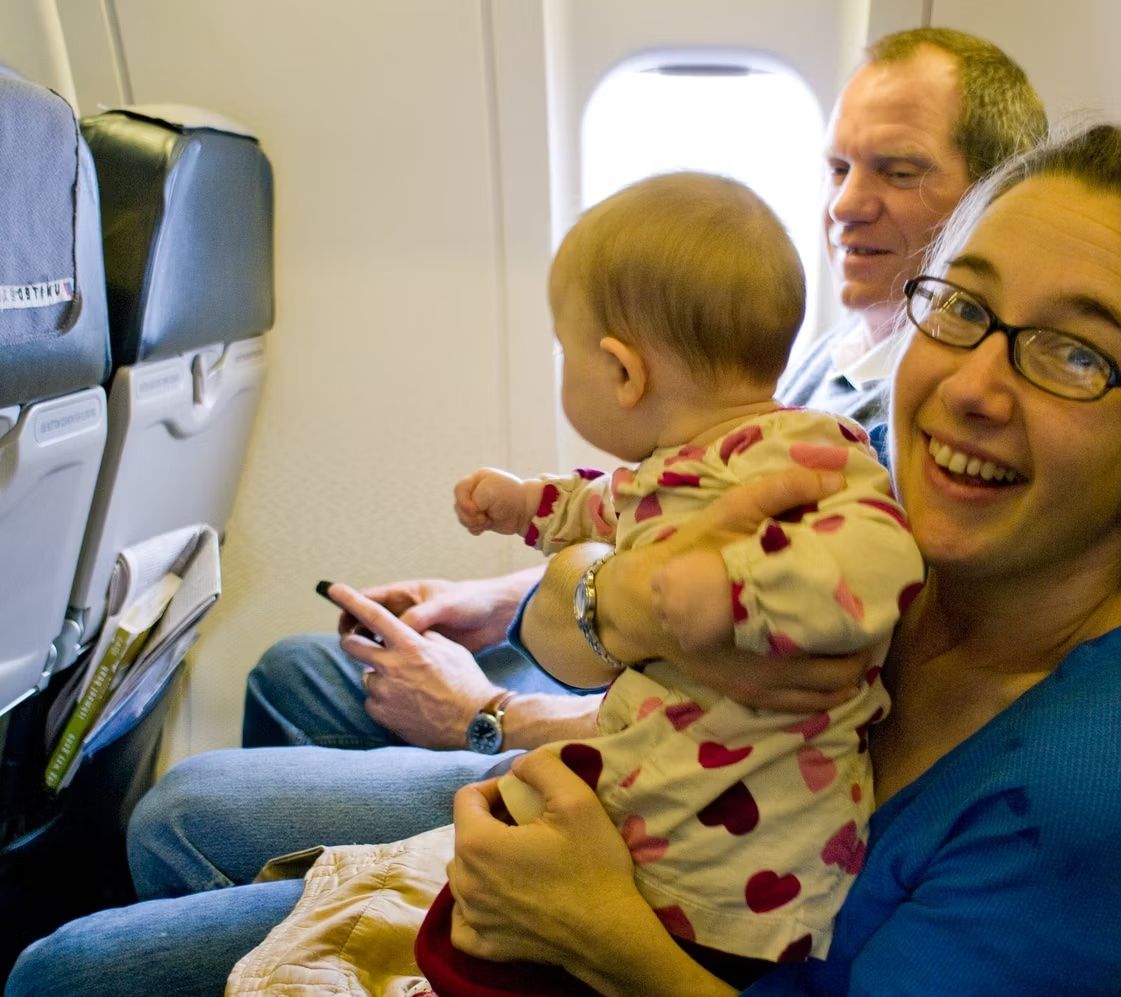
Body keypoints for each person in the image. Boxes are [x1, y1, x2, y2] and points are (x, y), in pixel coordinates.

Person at [6, 124, 1121, 994]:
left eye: (1074, 354)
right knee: (148, 862)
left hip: (638, 935)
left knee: (68, 968)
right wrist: (598, 603)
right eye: (966, 306)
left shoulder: (1100, 788)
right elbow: (594, 614)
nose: (975, 387)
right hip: (629, 841)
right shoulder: (884, 505)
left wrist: (595, 922)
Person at [123, 27, 1045, 903]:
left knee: (178, 816)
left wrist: (484, 710)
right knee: (297, 668)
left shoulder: (916, 437)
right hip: (636, 671)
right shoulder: (832, 353)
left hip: (681, 769)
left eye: (898, 170)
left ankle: (347, 914)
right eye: (838, 168)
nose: (845, 202)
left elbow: (758, 705)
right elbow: (671, 505)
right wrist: (499, 601)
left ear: (994, 199)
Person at [435, 171, 922, 981]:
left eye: (567, 351)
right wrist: (522, 502)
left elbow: (876, 563)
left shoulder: (814, 451)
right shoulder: (669, 467)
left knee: (493, 910)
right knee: (488, 879)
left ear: (624, 374)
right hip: (658, 772)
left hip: (746, 841)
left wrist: (728, 588)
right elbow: (596, 506)